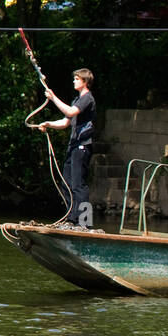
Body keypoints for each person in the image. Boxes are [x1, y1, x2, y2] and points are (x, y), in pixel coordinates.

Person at [37, 68, 97, 228]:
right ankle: (72, 219)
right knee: (67, 183)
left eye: (77, 79)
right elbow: (65, 122)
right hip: (73, 146)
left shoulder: (87, 99)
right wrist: (48, 124)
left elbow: (70, 111)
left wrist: (53, 97)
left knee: (79, 184)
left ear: (84, 81)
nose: (73, 81)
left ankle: (85, 222)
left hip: (83, 146)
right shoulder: (76, 100)